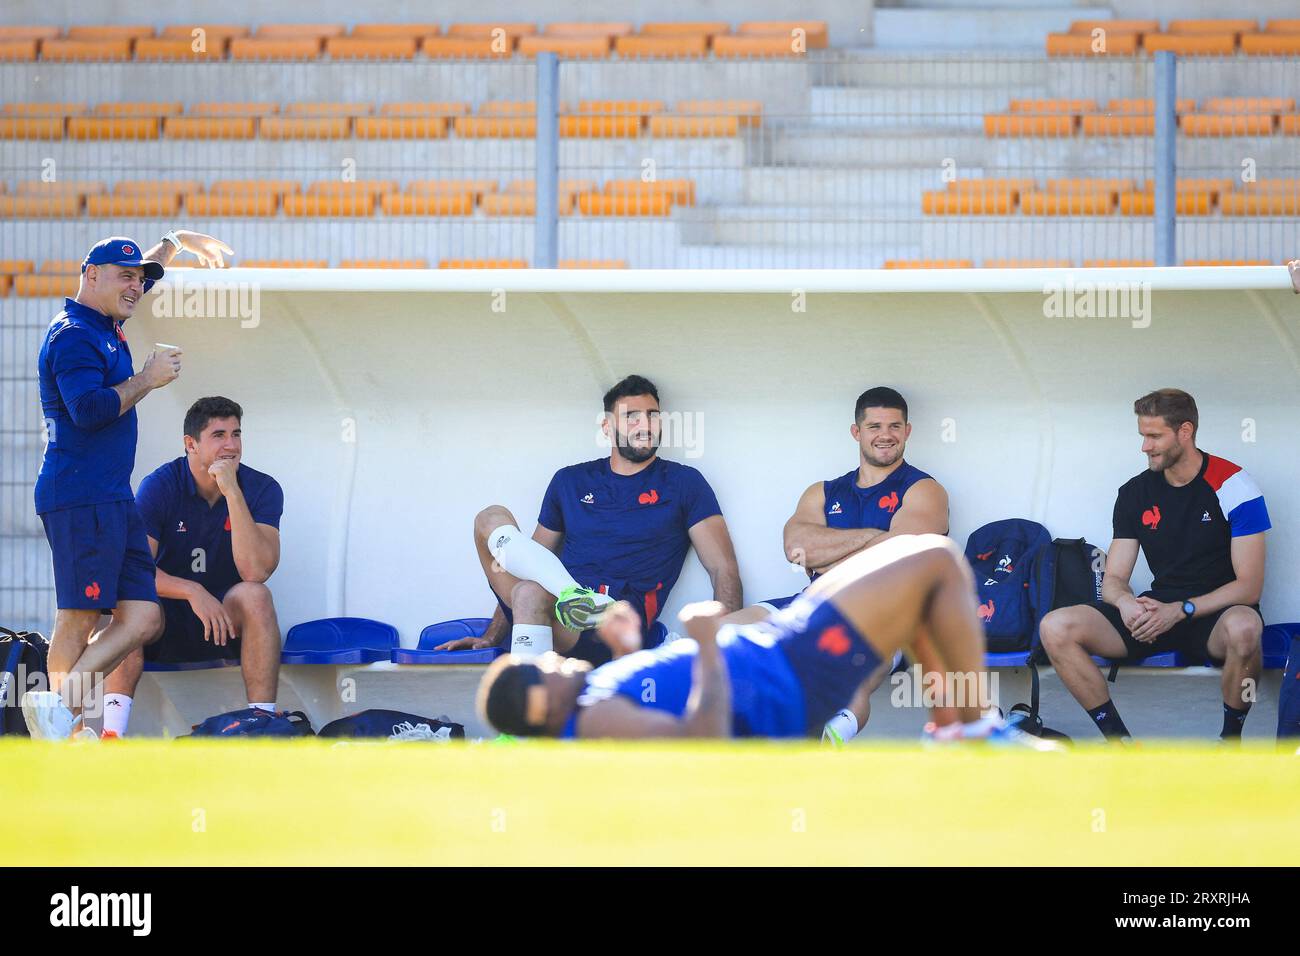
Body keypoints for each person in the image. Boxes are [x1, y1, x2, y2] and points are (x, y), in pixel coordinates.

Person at [476, 533, 1048, 746]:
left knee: (923, 592)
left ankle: (960, 729)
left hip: (785, 658)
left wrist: (629, 649)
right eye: (542, 670)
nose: (552, 661)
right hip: (792, 670)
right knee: (934, 560)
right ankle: (972, 728)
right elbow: (702, 736)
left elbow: (659, 703)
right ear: (540, 704)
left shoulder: (592, 706)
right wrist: (703, 640)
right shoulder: (591, 719)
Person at [23, 231, 234, 740]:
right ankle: (61, 728)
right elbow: (89, 411)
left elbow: (137, 273)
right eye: (126, 277)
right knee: (78, 616)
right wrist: (148, 378)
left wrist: (174, 242)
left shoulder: (104, 320)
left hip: (112, 497)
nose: (136, 287)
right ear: (90, 275)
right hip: (80, 495)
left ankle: (56, 711)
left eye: (141, 279)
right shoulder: (73, 333)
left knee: (142, 617)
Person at [439, 374, 742, 665]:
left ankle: (527, 712)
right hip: (559, 606)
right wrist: (491, 638)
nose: (644, 425)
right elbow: (529, 561)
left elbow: (722, 569)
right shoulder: (569, 481)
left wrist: (729, 651)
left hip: (618, 624)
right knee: (489, 518)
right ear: (607, 427)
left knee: (530, 593)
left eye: (652, 415)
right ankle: (570, 594)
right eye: (632, 416)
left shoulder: (683, 483)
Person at [1039, 389, 1270, 742]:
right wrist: (1127, 603)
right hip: (1156, 613)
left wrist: (1181, 609)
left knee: (1246, 627)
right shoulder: (1134, 492)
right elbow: (1115, 578)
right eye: (1142, 436)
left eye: (1154, 436)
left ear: (1185, 431)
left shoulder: (1234, 485)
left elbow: (1248, 586)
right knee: (1056, 626)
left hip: (1214, 616)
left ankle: (1230, 743)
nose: (1145, 447)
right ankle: (1121, 744)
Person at [727, 386, 950, 744]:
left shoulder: (924, 489)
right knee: (722, 635)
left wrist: (831, 557)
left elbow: (906, 552)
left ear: (907, 431)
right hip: (813, 602)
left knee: (844, 669)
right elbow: (796, 546)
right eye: (875, 426)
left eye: (895, 426)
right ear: (856, 432)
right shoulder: (823, 491)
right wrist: (874, 540)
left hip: (887, 611)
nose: (885, 435)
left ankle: (827, 741)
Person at [99, 397, 285, 737]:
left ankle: (262, 723)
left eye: (236, 433)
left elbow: (255, 571)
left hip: (225, 623)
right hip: (166, 621)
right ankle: (112, 734)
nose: (231, 445)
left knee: (256, 595)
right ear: (191, 444)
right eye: (218, 435)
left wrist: (232, 493)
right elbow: (134, 570)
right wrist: (191, 590)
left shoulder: (262, 488)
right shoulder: (161, 485)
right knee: (129, 609)